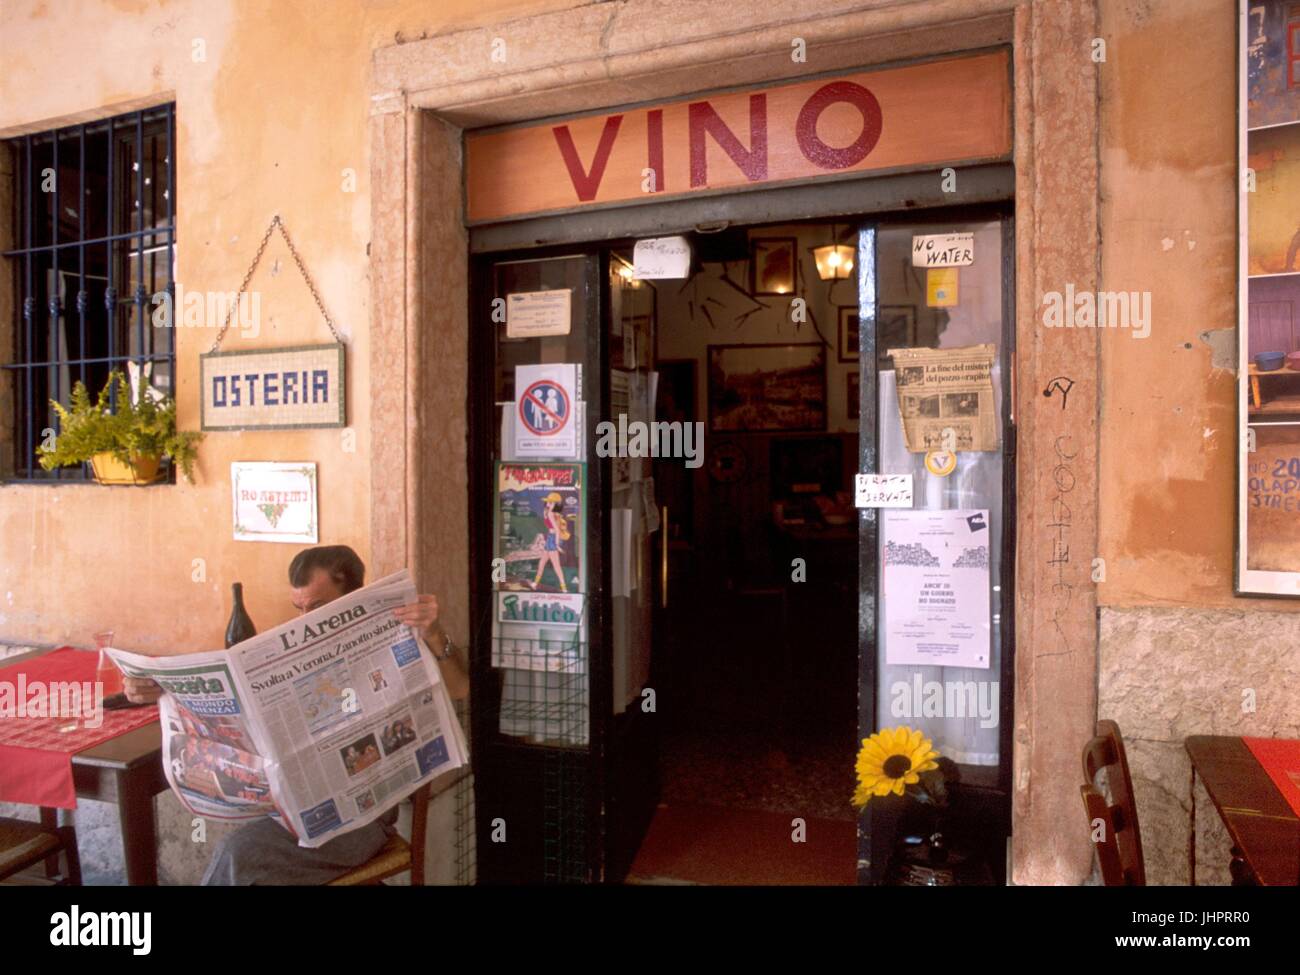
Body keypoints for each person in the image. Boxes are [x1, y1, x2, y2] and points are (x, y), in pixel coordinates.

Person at [124, 544, 469, 885]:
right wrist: (163, 692)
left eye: (318, 606)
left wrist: (435, 635)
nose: (306, 620)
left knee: (240, 855)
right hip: (296, 814)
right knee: (244, 856)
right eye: (299, 609)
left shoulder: (392, 632)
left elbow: (460, 689)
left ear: (352, 596)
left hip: (361, 821)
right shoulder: (289, 653)